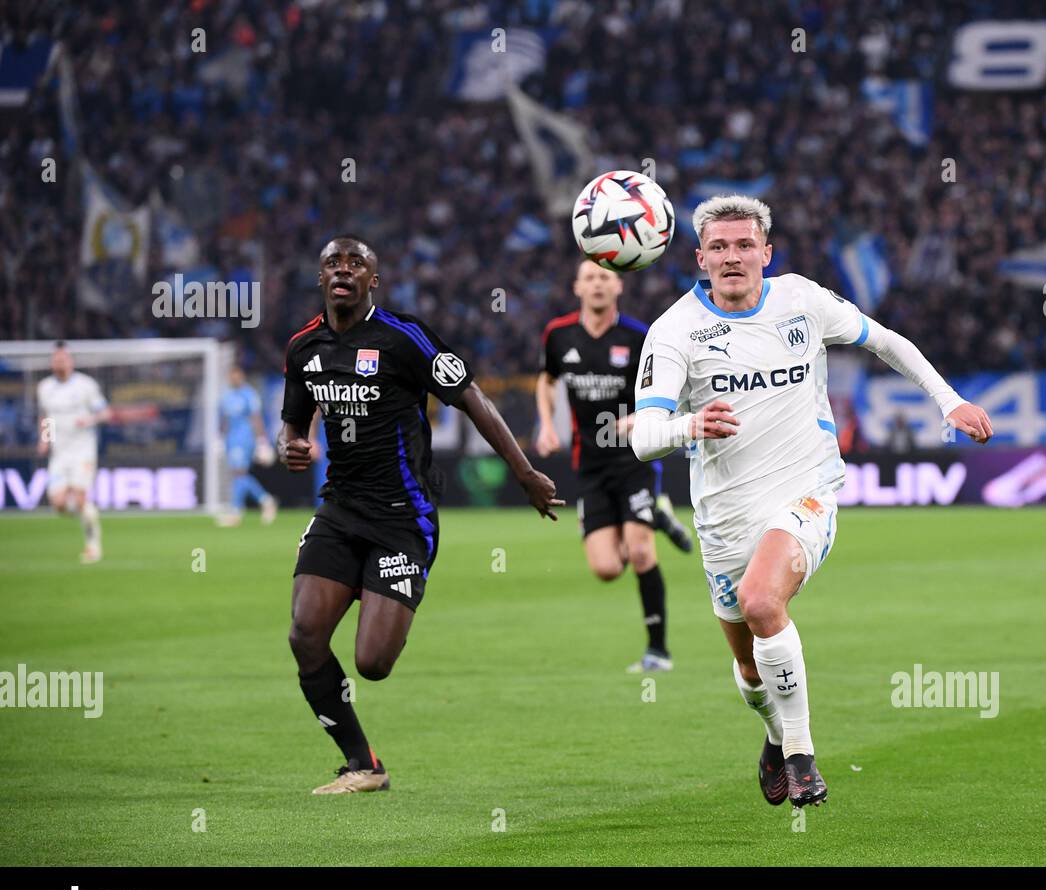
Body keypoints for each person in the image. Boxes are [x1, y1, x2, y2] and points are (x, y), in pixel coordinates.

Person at [630, 196, 993, 807]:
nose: (733, 257)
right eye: (719, 248)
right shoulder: (672, 334)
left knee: (761, 600)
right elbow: (642, 438)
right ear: (700, 259)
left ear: (766, 253)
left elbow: (886, 342)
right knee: (750, 673)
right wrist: (690, 426)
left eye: (745, 245)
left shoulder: (802, 299)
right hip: (723, 516)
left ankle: (800, 754)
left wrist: (947, 400)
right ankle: (774, 737)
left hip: (806, 490)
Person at [279, 235, 562, 795]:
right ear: (321, 278)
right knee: (305, 634)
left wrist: (525, 472)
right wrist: (292, 444)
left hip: (401, 518)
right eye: (332, 262)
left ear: (372, 281)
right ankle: (363, 764)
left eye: (356, 263)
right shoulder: (303, 349)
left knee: (373, 664)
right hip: (339, 509)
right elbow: (294, 422)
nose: (343, 270)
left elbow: (474, 399)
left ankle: (383, 594)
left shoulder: (404, 338)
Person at [536, 260, 693, 673]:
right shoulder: (558, 334)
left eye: (605, 276)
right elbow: (547, 380)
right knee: (606, 568)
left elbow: (669, 389)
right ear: (577, 287)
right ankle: (654, 515)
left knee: (640, 553)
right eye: (590, 277)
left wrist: (641, 418)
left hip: (635, 458)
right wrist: (547, 426)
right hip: (589, 464)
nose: (598, 283)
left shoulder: (640, 337)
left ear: (618, 286)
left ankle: (658, 650)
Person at [36, 342, 110, 563]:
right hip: (59, 453)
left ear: (71, 362)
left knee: (79, 498)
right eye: (56, 360)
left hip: (82, 450)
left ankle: (92, 546)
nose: (59, 363)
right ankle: (88, 511)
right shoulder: (44, 388)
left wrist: (90, 419)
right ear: (52, 363)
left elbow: (105, 413)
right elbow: (45, 416)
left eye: (63, 359)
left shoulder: (86, 385)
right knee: (58, 504)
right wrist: (44, 440)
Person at [217, 365, 277, 526]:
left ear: (241, 376)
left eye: (237, 375)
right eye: (232, 376)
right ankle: (265, 500)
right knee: (239, 476)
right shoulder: (225, 396)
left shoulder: (249, 394)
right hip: (231, 440)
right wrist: (220, 439)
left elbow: (256, 418)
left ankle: (236, 511)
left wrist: (262, 440)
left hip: (245, 439)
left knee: (239, 473)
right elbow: (224, 420)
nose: (234, 378)